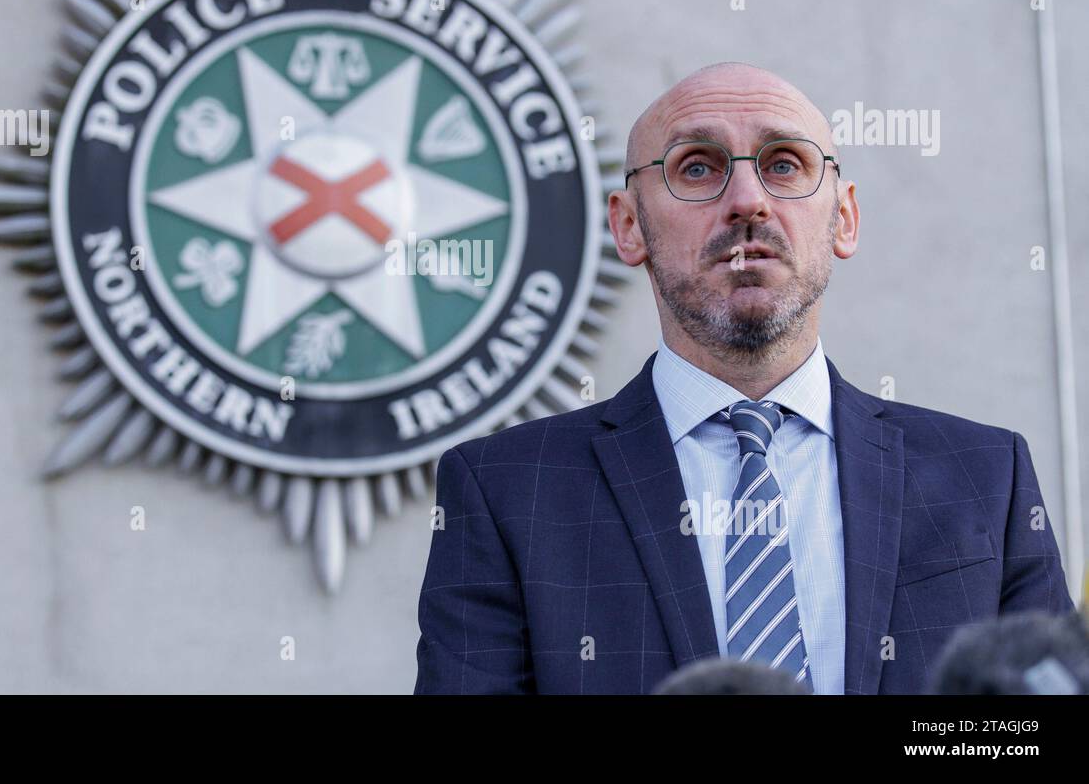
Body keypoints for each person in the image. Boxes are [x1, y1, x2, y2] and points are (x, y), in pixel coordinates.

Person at [413, 62, 1075, 694]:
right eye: (697, 168)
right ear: (627, 224)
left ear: (843, 217)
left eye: (784, 164)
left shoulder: (989, 477)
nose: (749, 202)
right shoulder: (506, 493)